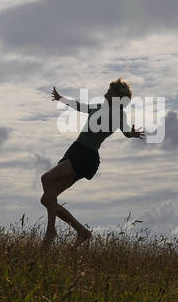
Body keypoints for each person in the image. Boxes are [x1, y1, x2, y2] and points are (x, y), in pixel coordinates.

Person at [41, 78, 144, 248]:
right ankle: (82, 232)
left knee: (46, 180)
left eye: (110, 92)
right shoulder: (103, 109)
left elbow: (126, 132)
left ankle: (51, 231)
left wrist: (131, 133)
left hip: (84, 154)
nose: (106, 93)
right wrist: (61, 99)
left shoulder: (117, 113)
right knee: (47, 199)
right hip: (78, 151)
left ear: (117, 97)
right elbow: (81, 107)